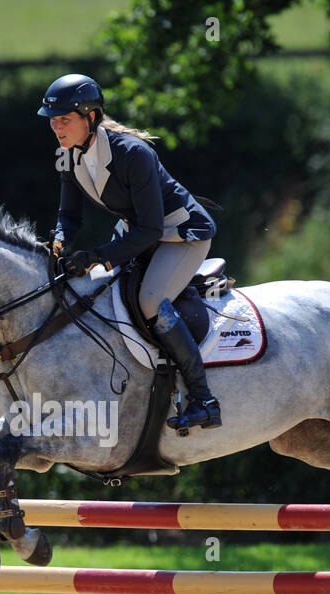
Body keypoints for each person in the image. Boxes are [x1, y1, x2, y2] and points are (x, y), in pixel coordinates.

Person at [39, 73, 222, 430]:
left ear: (90, 117)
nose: (56, 127)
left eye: (64, 119)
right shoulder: (68, 156)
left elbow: (153, 228)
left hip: (181, 233)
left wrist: (97, 256)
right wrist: (59, 241)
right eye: (52, 120)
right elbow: (69, 215)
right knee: (96, 292)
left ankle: (204, 399)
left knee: (150, 301)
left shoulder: (133, 154)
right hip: (140, 231)